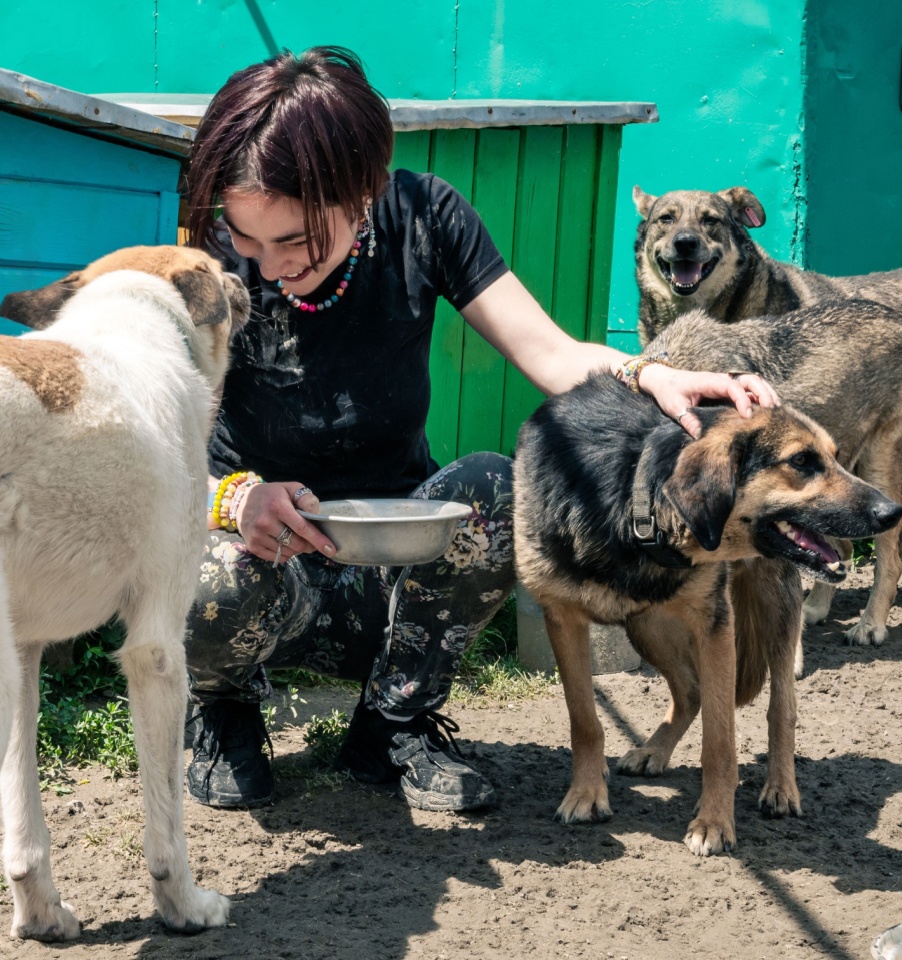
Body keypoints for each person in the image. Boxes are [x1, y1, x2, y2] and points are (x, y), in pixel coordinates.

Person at [182, 46, 778, 812]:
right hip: (259, 566)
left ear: (361, 192)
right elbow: (155, 449)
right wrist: (236, 500)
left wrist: (651, 373)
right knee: (208, 570)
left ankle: (392, 722)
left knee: (496, 487)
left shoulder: (424, 215)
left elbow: (553, 354)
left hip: (386, 573)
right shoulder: (199, 253)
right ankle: (222, 711)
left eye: (294, 241)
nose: (263, 269)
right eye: (246, 241)